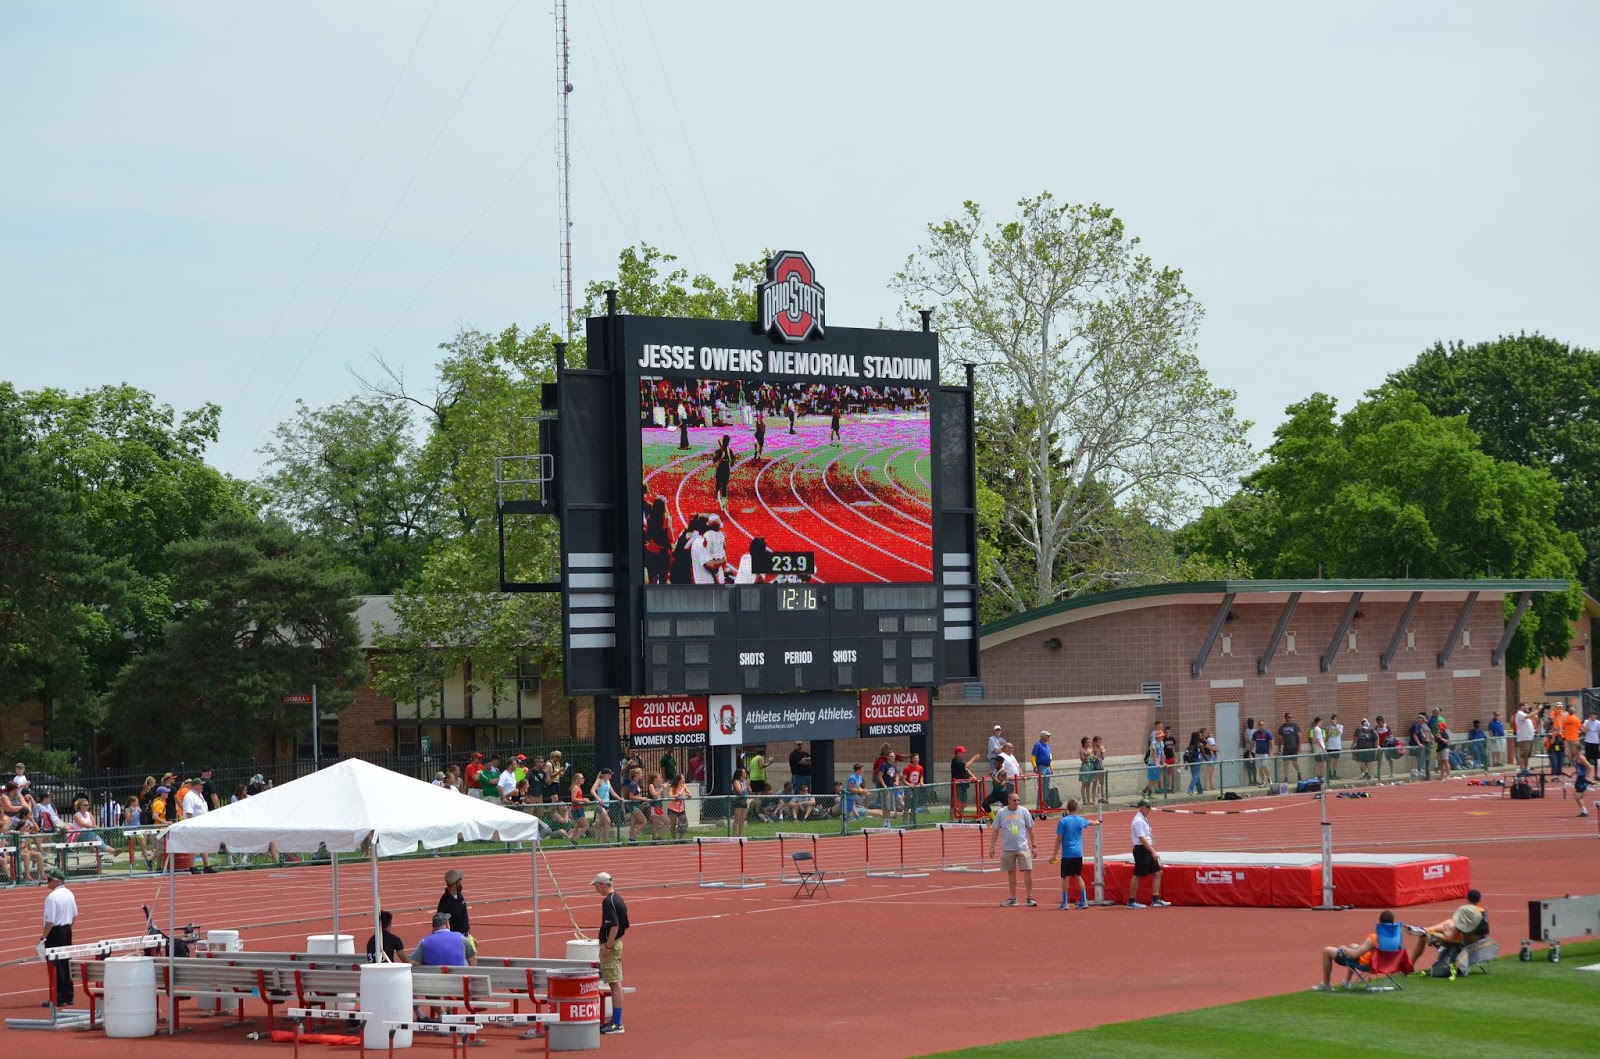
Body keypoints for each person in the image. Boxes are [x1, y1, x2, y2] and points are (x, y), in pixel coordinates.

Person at [1313, 910, 1397, 991]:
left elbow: (1355, 955)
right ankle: (1347, 982)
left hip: (1367, 964)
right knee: (1353, 945)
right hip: (1385, 964)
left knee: (1326, 950)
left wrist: (1343, 948)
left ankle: (1326, 984)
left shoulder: (1374, 938)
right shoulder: (1395, 937)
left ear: (1380, 923)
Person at [1405, 890, 1488, 967]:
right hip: (1477, 943)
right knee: (1450, 922)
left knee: (1422, 936)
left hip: (1458, 945)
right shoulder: (1482, 912)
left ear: (1467, 898)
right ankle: (1426, 929)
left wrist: (1445, 931)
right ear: (1479, 900)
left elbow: (1450, 938)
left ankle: (1410, 965)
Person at [592, 871, 629, 1035]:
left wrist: (607, 946)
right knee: (615, 982)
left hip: (612, 945)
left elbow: (614, 925)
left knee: (614, 983)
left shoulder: (608, 902)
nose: (596, 890)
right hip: (617, 943)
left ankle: (617, 1022)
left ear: (603, 884)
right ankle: (616, 1020)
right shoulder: (618, 899)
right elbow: (625, 925)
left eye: (596, 886)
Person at [988, 789, 1036, 907]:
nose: (1017, 802)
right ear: (1008, 800)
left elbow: (1030, 829)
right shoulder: (1001, 812)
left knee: (1028, 871)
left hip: (1022, 847)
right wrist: (992, 846)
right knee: (1011, 873)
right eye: (1014, 800)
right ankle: (1013, 898)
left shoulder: (1024, 811)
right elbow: (995, 830)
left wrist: (1034, 845)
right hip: (1008, 848)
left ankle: (1030, 897)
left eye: (1018, 800)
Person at [42, 867, 77, 1006]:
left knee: (56, 964)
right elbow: (74, 915)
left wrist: (44, 936)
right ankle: (68, 995)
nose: (47, 882)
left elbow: (50, 921)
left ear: (56, 881)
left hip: (55, 932)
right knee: (66, 961)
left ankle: (59, 996)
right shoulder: (69, 893)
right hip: (67, 930)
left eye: (49, 880)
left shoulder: (52, 897)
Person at [1048, 798, 1093, 909]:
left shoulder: (1063, 821)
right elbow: (1089, 822)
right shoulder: (1080, 820)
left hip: (1067, 854)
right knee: (1078, 876)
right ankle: (1084, 900)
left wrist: (1054, 854)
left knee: (1066, 877)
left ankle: (1065, 902)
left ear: (1067, 808)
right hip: (1078, 853)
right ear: (1077, 808)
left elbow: (1059, 839)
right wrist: (1096, 822)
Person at [1127, 798, 1171, 908]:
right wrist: (1153, 852)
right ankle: (1131, 901)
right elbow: (1142, 839)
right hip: (1141, 850)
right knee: (1138, 874)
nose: (1149, 809)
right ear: (1141, 808)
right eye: (1147, 807)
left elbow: (1147, 835)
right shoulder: (1138, 821)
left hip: (1147, 849)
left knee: (1157, 872)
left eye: (1150, 807)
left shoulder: (1143, 818)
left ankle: (1155, 899)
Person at [411, 911, 476, 966]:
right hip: (460, 977)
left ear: (433, 927)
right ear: (447, 925)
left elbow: (413, 962)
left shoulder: (424, 941)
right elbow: (472, 958)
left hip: (435, 978)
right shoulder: (460, 937)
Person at [179, 780, 217, 873]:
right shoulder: (190, 796)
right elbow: (189, 812)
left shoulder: (199, 795)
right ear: (195, 786)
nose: (202, 787)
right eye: (201, 785)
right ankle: (192, 866)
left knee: (203, 844)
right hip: (195, 825)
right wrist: (192, 824)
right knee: (194, 845)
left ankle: (207, 865)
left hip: (202, 824)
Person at [437, 868, 470, 939]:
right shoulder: (445, 902)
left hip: (466, 936)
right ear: (456, 883)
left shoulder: (459, 894)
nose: (461, 882)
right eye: (460, 881)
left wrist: (469, 934)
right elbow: (441, 925)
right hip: (455, 939)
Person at [950, 746, 978, 816]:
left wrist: (973, 776)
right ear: (958, 753)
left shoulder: (961, 761)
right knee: (955, 803)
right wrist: (973, 759)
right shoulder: (955, 760)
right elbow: (965, 766)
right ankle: (952, 819)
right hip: (957, 785)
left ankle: (961, 818)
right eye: (963, 753)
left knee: (963, 803)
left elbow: (966, 769)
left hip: (963, 785)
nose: (964, 754)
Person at [1408, 711, 1435, 779]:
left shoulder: (1419, 726)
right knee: (1414, 757)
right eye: (1422, 720)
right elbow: (1415, 735)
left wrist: (1426, 738)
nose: (1423, 722)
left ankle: (1415, 769)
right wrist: (1419, 743)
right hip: (1414, 744)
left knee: (1416, 757)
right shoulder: (1416, 725)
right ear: (1420, 720)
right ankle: (1413, 770)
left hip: (1419, 744)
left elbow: (1421, 734)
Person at [1277, 713, 1303, 783]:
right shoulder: (1282, 727)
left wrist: (1299, 746)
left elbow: (1299, 736)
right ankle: (1286, 778)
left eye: (1291, 717)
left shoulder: (1295, 726)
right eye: (1288, 717)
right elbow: (1280, 739)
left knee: (1294, 762)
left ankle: (1299, 774)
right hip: (1286, 748)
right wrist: (1279, 749)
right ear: (1285, 717)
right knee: (1286, 763)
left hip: (1294, 747)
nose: (1290, 718)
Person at [1514, 703, 1537, 771]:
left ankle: (1526, 769)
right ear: (1521, 707)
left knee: (1526, 755)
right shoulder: (1520, 713)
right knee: (1523, 755)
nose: (1527, 707)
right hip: (1524, 738)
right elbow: (1528, 716)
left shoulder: (1525, 715)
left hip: (1529, 738)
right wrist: (1538, 709)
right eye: (1525, 706)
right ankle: (1522, 769)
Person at [1250, 720, 1273, 786]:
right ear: (1258, 726)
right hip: (1258, 753)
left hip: (1265, 753)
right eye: (1259, 725)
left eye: (1262, 725)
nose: (1261, 726)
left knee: (1265, 766)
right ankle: (1263, 781)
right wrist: (1250, 753)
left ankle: (1269, 779)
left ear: (1264, 725)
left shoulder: (1267, 733)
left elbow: (1272, 743)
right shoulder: (1255, 734)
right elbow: (1252, 743)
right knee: (1259, 768)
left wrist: (1271, 752)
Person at [1326, 714, 1344, 779]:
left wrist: (1336, 726)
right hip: (1330, 746)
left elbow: (1338, 733)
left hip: (1337, 746)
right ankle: (1329, 774)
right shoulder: (1329, 727)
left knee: (1335, 761)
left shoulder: (1340, 726)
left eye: (1335, 719)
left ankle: (1334, 774)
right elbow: (1329, 735)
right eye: (1333, 719)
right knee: (1330, 761)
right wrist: (1331, 726)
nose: (1334, 721)